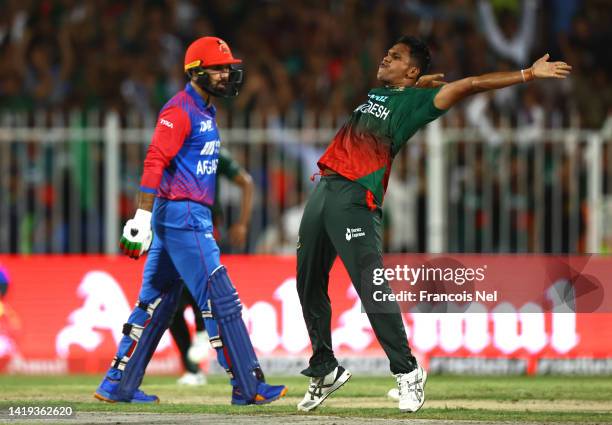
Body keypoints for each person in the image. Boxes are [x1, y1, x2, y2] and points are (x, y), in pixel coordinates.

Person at [295, 35, 571, 413]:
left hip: (357, 197)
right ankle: (325, 367)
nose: (384, 57)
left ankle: (407, 372)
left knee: (371, 288)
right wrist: (413, 83)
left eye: (395, 56)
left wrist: (527, 74)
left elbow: (470, 84)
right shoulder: (387, 93)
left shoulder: (422, 102)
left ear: (410, 69)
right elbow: (397, 94)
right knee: (308, 282)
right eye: (387, 52)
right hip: (324, 188)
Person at [94, 36, 286, 405]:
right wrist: (141, 215)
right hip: (183, 215)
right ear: (195, 71)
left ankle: (117, 383)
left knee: (156, 303)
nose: (226, 74)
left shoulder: (205, 110)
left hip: (182, 214)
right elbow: (154, 160)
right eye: (217, 68)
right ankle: (248, 386)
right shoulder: (179, 110)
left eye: (228, 67)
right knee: (219, 297)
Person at [170, 147, 254, 386]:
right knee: (172, 305)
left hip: (203, 228)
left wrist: (243, 224)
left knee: (196, 285)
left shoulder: (214, 153)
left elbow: (246, 182)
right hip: (175, 231)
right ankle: (192, 368)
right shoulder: (170, 154)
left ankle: (200, 333)